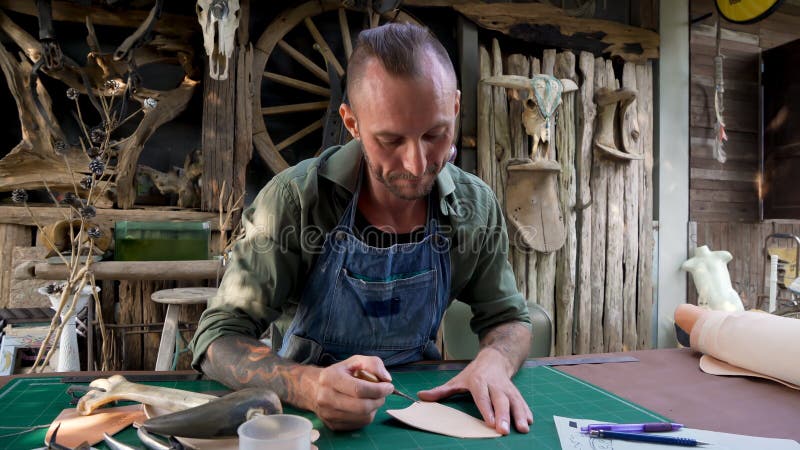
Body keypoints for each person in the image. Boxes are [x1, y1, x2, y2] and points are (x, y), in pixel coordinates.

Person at [190, 22, 534, 435]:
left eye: (435, 134)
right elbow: (217, 339)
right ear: (351, 123)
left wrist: (494, 362)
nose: (417, 163)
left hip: (419, 411)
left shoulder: (473, 208)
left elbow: (510, 318)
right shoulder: (295, 202)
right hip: (308, 419)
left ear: (456, 108)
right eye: (390, 140)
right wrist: (311, 385)